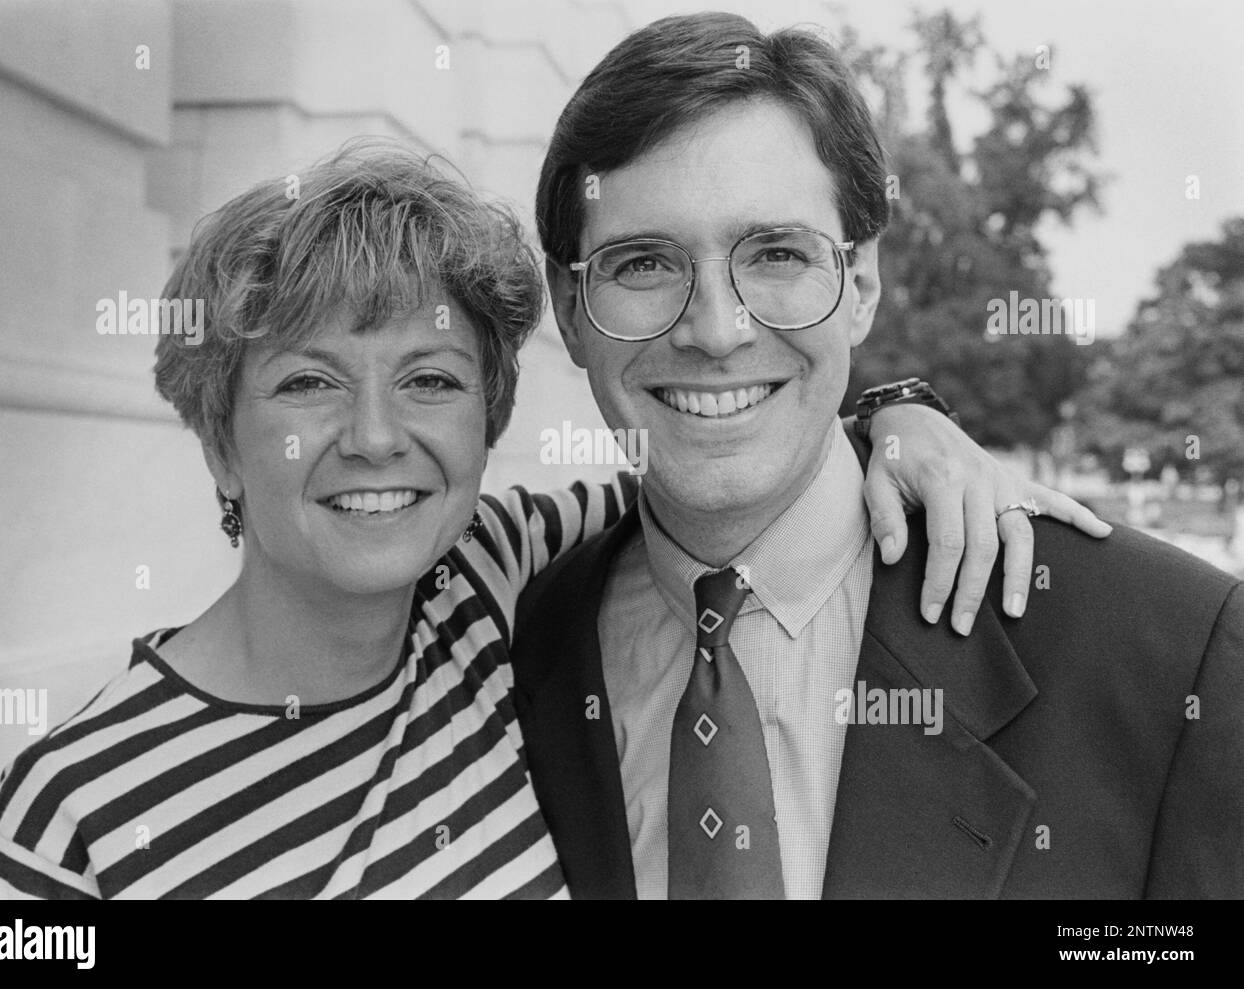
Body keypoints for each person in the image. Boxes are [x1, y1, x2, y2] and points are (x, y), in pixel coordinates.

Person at [0, 141, 1095, 901]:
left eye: (431, 380)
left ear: (489, 419)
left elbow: (736, 464)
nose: (374, 436)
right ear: (218, 433)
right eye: (307, 382)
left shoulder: (493, 577)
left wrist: (895, 419)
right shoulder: (78, 810)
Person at [512, 12, 1244, 899]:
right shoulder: (521, 642)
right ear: (569, 309)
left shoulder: (1171, 653)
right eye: (643, 264)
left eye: (778, 253)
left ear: (859, 286)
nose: (715, 330)